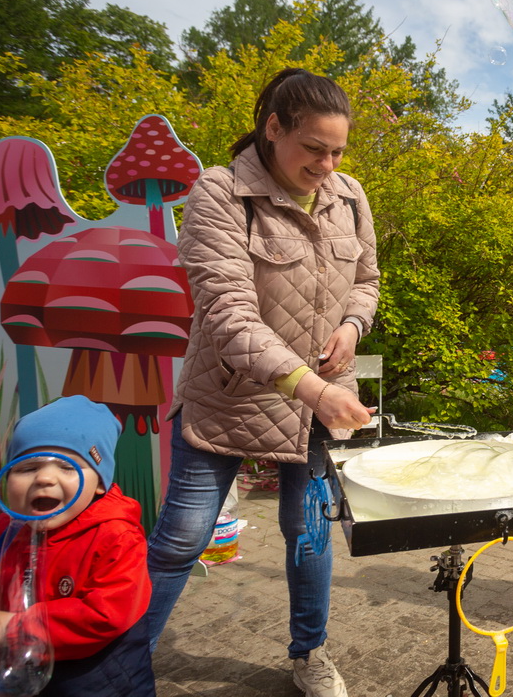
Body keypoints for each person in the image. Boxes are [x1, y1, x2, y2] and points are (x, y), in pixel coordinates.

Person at [145, 68, 378, 697]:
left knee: (309, 536)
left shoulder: (350, 196)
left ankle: (310, 654)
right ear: (273, 128)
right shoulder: (218, 193)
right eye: (314, 149)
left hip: (316, 406)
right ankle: (120, 663)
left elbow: (367, 283)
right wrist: (313, 387)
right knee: (183, 538)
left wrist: (353, 328)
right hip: (229, 396)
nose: (327, 165)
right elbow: (228, 316)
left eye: (337, 151)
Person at [0, 395, 154, 696]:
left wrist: (12, 629)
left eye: (66, 467)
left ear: (99, 484)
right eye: (27, 467)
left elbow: (107, 613)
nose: (44, 477)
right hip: (3, 681)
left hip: (100, 684)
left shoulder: (116, 538)